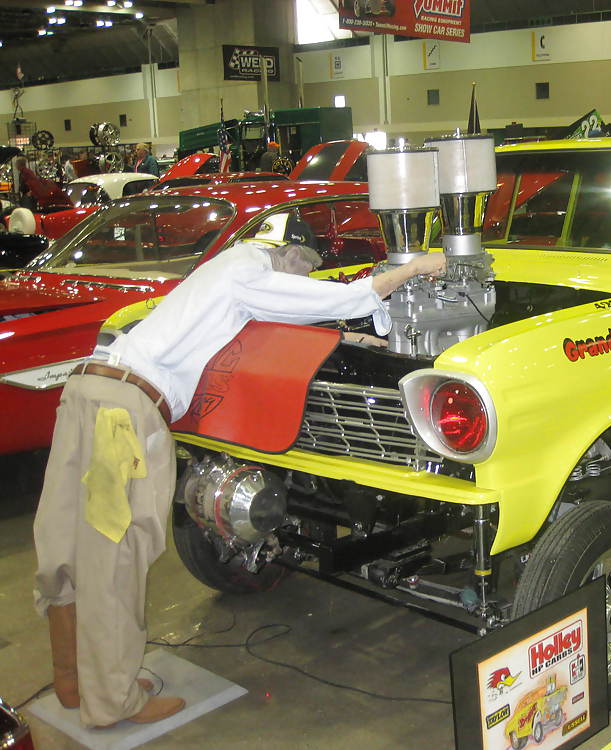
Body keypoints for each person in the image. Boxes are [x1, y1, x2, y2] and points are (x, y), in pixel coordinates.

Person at [33, 241, 447, 729]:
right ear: (282, 254)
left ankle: (71, 681)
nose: (302, 277)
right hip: (124, 412)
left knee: (64, 542)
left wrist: (356, 343)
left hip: (87, 389)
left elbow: (275, 324)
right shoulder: (246, 266)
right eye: (301, 268)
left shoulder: (209, 281)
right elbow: (341, 299)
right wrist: (415, 268)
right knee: (114, 556)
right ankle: (113, 701)